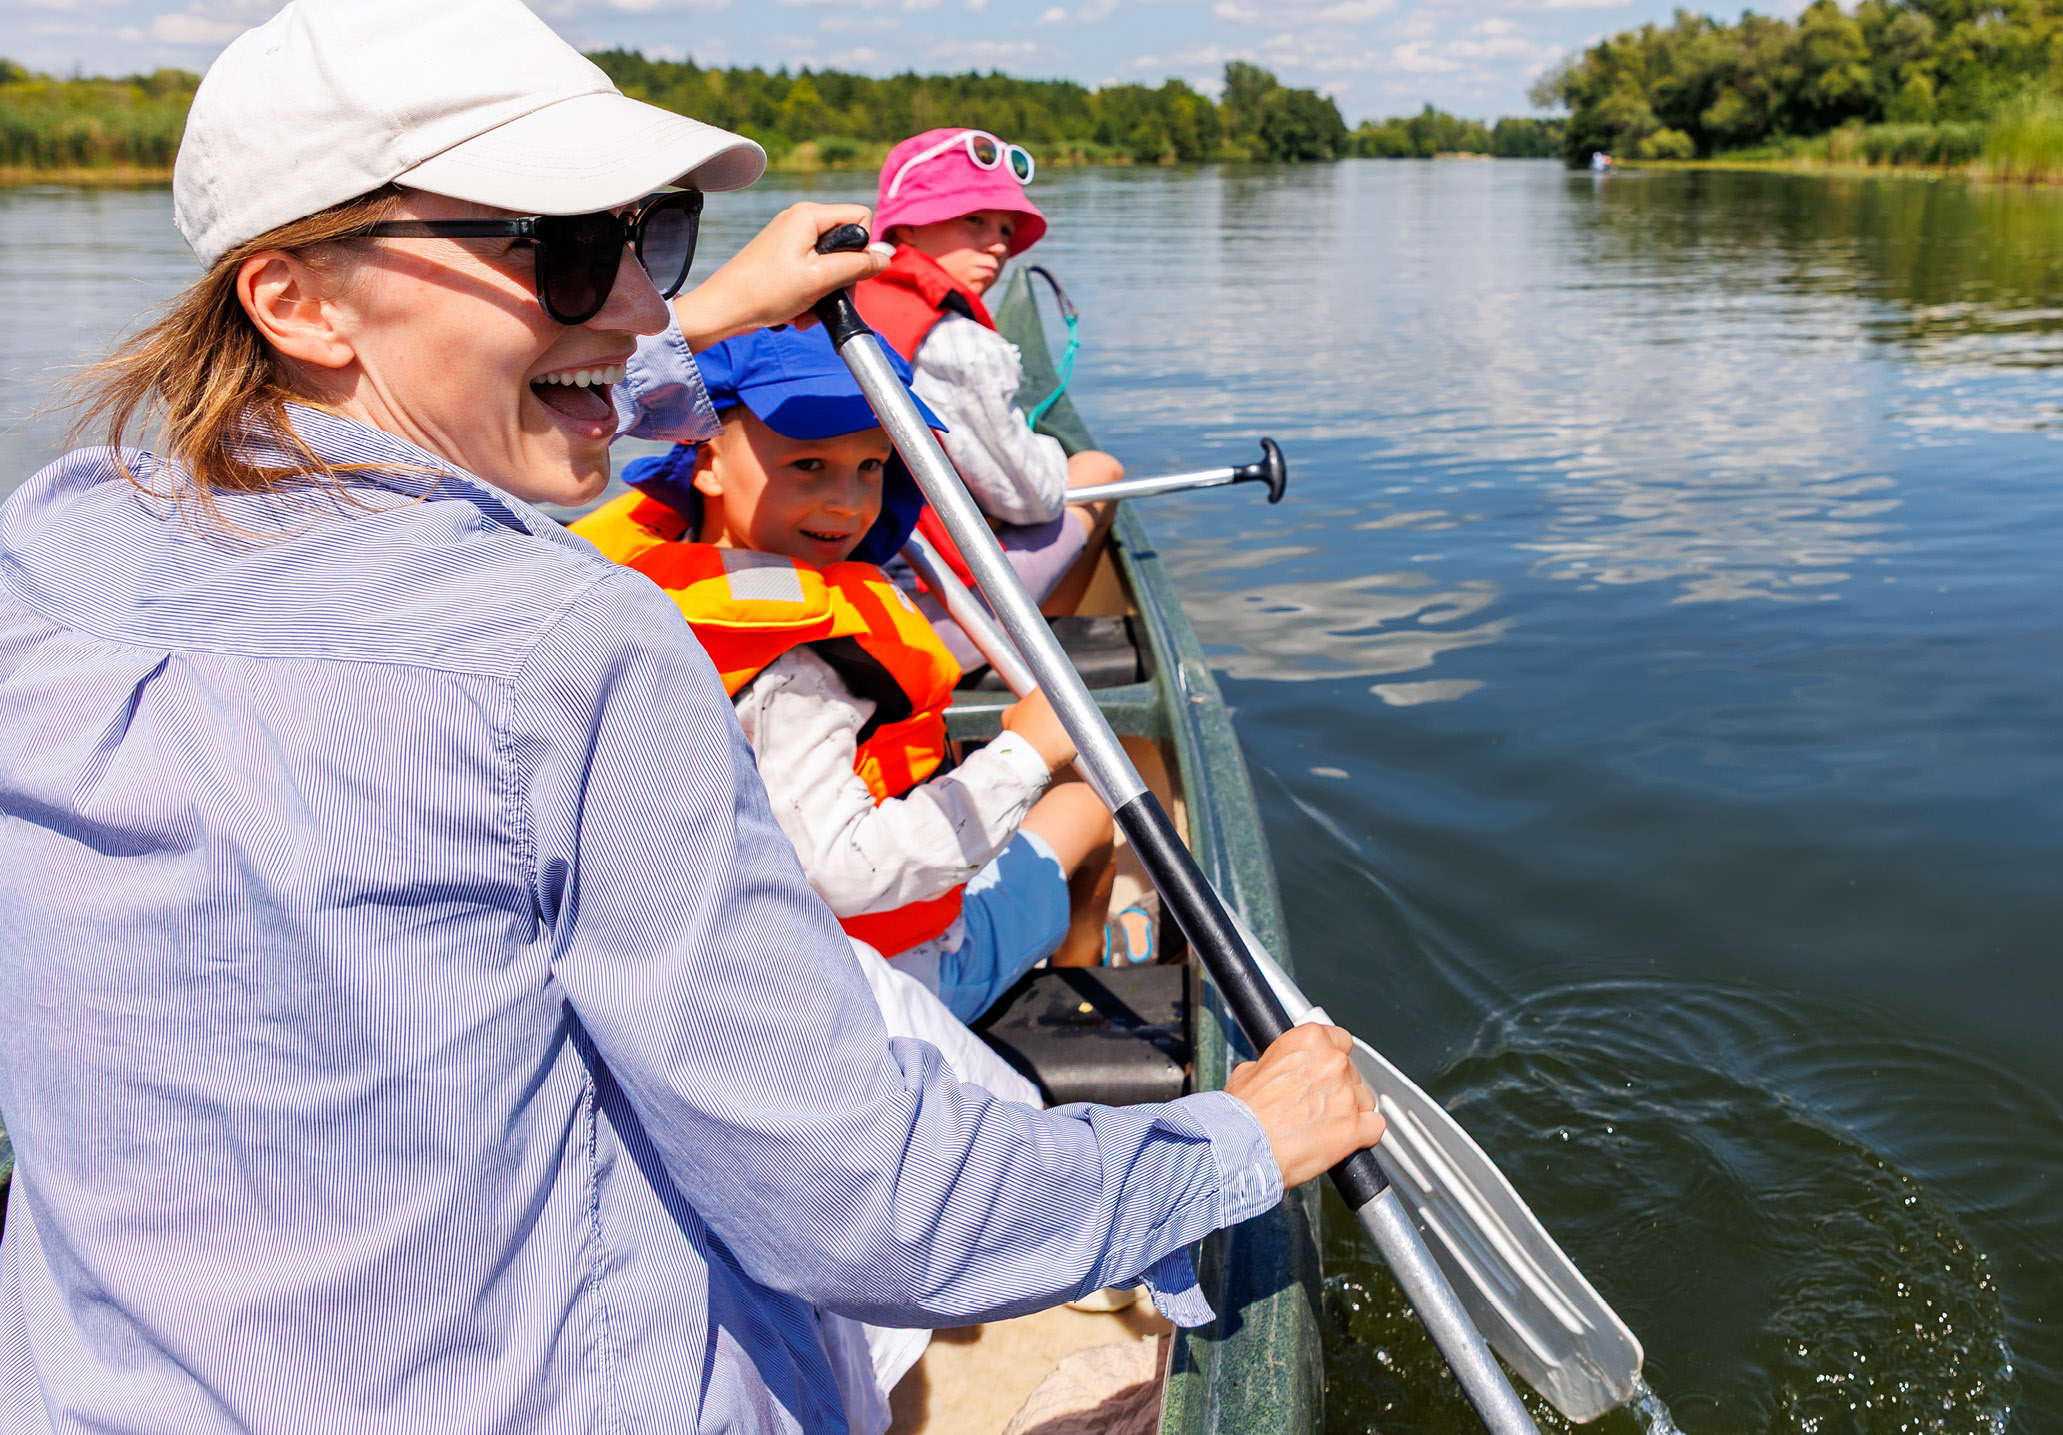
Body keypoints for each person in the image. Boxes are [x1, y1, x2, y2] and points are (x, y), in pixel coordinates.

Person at [0, 4, 1382, 1432]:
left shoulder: (53, 546)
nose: (644, 306)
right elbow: (870, 1207)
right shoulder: (568, 649)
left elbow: (567, 374)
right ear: (298, 299)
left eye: (648, 237)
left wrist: (716, 301)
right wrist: (1228, 1139)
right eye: (571, 251)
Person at [573, 323, 1128, 1002]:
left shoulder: (624, 583)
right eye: (810, 464)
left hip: (717, 937)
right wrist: (1024, 754)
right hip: (876, 979)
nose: (851, 502)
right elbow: (844, 869)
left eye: (872, 466)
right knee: (1085, 808)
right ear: (708, 458)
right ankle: (1074, 985)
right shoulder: (802, 665)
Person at [852, 127, 1129, 669]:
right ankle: (1043, 642)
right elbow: (1035, 497)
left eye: (1004, 226)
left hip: (844, 592)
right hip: (922, 622)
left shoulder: (842, 298)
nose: (999, 243)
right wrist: (1051, 463)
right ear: (908, 224)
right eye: (973, 220)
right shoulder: (956, 340)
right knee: (1099, 469)